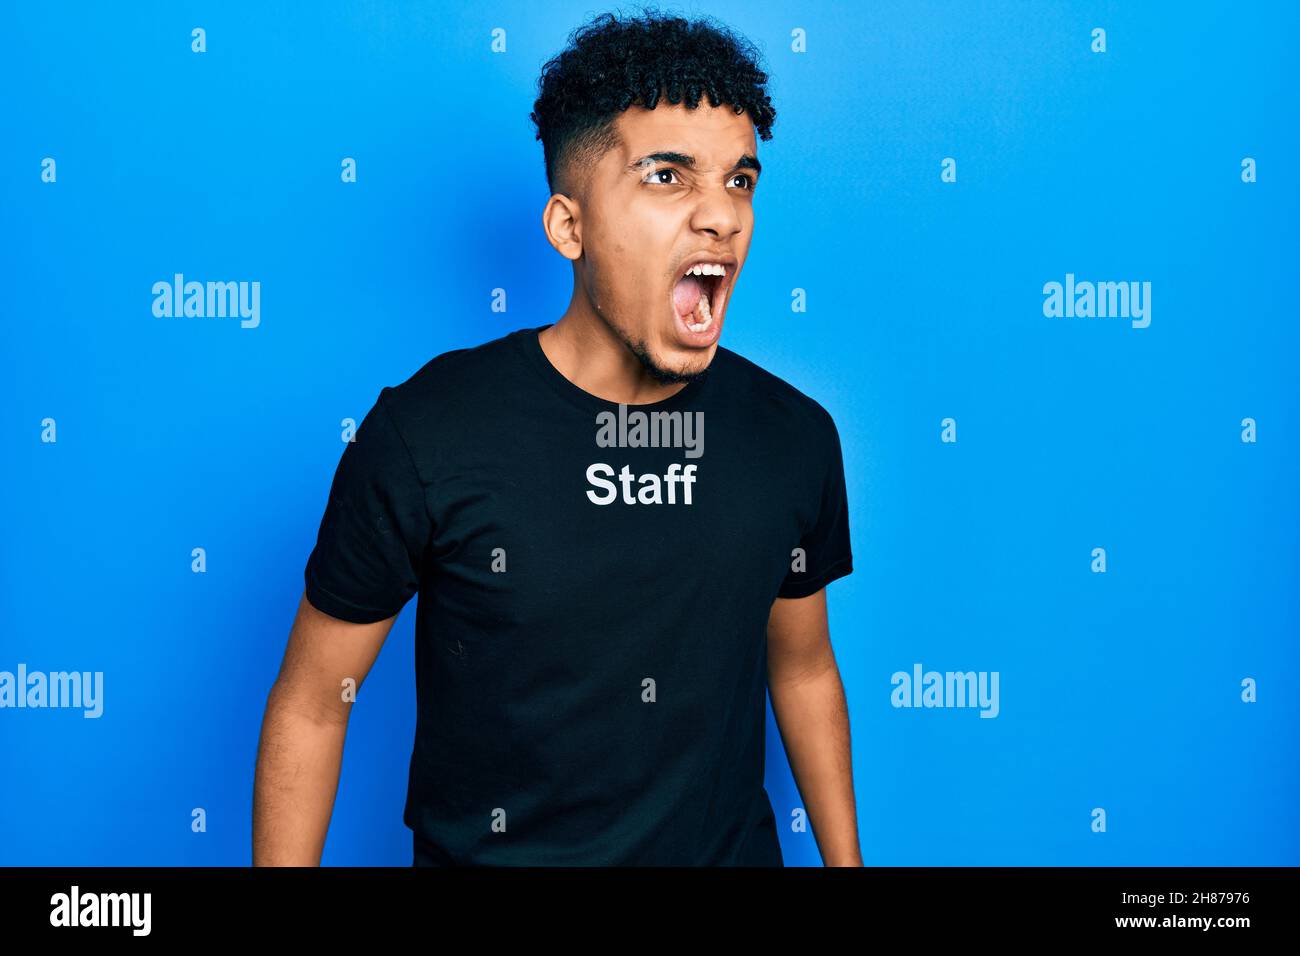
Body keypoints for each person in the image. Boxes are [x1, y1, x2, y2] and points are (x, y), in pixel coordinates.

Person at [253, 8, 861, 867]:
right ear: (568, 227)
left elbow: (801, 669)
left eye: (739, 181)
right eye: (667, 177)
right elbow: (314, 703)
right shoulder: (428, 432)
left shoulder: (792, 436)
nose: (721, 217)